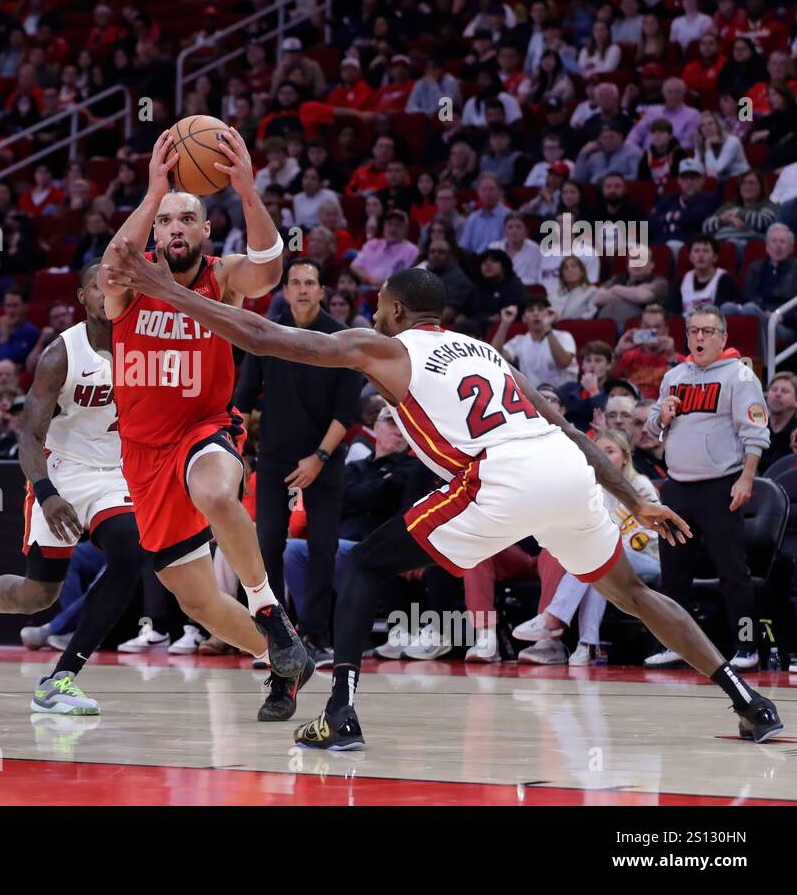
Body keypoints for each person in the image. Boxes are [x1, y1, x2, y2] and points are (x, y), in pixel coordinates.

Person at [102, 257, 783, 748]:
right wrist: (634, 501)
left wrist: (165, 288)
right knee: (632, 591)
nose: (371, 314)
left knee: (366, 566)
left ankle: (340, 713)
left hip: (503, 475)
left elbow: (269, 338)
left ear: (398, 310)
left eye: (378, 305)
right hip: (564, 470)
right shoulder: (487, 352)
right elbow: (571, 428)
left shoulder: (388, 345)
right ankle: (747, 699)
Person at [98, 128, 314, 721]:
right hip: (144, 453)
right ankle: (282, 657)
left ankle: (270, 608)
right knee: (196, 600)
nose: (174, 229)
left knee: (218, 491)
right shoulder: (133, 281)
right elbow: (108, 271)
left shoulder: (224, 276)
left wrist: (247, 189)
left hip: (205, 428)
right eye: (165, 221)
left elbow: (270, 272)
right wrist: (154, 191)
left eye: (186, 219)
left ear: (204, 230)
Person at [0, 263, 157, 715]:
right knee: (38, 595)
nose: (110, 295)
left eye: (120, 287)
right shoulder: (61, 354)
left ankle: (61, 678)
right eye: (99, 288)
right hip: (62, 472)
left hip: (115, 473)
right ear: (82, 297)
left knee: (131, 551)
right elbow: (28, 437)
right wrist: (47, 493)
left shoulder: (142, 347)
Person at [233, 258, 364, 668]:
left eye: (311, 282)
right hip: (272, 457)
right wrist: (239, 454)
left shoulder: (343, 339)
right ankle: (278, 640)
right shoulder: (267, 335)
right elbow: (241, 399)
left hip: (324, 457)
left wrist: (320, 457)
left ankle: (318, 637)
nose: (303, 289)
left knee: (322, 546)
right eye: (296, 283)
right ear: (285, 291)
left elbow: (347, 413)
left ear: (323, 291)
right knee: (267, 544)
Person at [643, 307, 769, 670]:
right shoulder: (673, 376)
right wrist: (661, 416)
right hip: (678, 487)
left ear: (723, 337)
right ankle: (673, 645)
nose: (699, 338)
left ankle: (747, 646)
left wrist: (746, 478)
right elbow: (652, 428)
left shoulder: (740, 377)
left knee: (733, 573)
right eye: (693, 331)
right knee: (674, 574)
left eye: (707, 331)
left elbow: (756, 433)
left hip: (721, 485)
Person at [514, 429, 663, 665]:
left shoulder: (639, 483)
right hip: (610, 557)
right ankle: (588, 645)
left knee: (596, 556)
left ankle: (554, 617)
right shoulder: (591, 488)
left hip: (647, 557)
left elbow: (651, 533)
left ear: (625, 456)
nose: (602, 457)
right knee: (596, 569)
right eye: (597, 452)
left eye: (610, 451)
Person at [492, 296, 578, 388]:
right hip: (534, 397)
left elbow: (563, 363)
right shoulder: (519, 341)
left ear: (548, 314)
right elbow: (495, 356)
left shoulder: (564, 336)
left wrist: (547, 329)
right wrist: (505, 323)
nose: (536, 313)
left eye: (540, 309)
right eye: (530, 310)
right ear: (524, 318)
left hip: (563, 395)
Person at [760, 371, 797, 474]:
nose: (778, 394)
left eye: (784, 391)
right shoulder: (757, 429)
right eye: (774, 389)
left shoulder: (795, 432)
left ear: (796, 402)